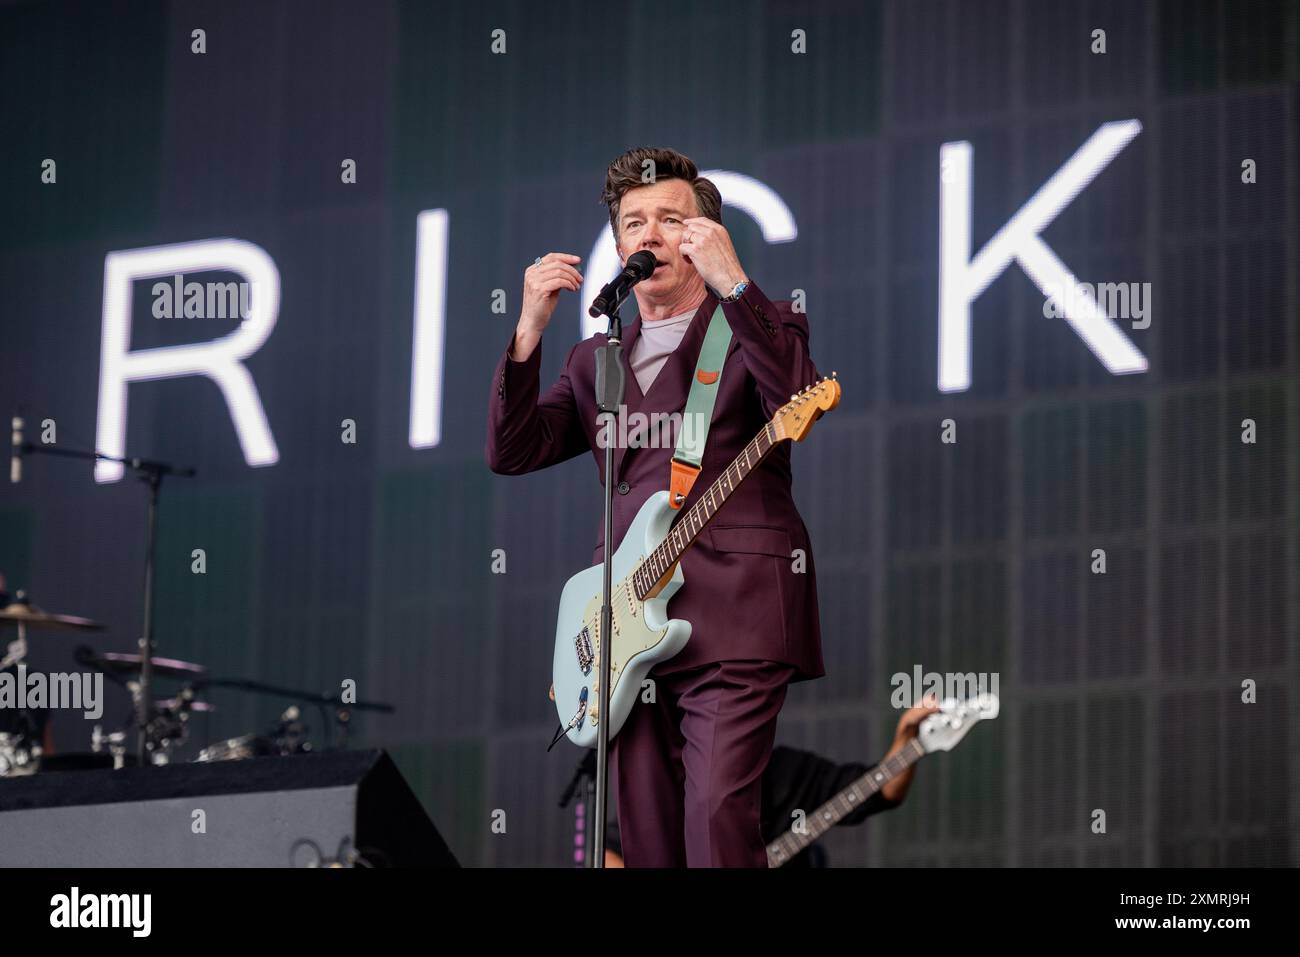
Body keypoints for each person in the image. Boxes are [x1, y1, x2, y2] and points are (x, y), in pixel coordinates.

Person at [487, 147, 825, 866]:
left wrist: (735, 283)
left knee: (715, 815)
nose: (650, 234)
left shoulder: (759, 324)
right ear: (616, 246)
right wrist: (528, 332)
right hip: (627, 630)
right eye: (634, 222)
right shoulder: (593, 360)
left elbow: (800, 393)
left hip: (736, 612)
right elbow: (512, 450)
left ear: (705, 235)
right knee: (644, 841)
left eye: (672, 219)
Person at [602, 702, 940, 867]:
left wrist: (909, 740)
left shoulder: (790, 772)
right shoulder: (677, 786)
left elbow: (883, 790)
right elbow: (609, 852)